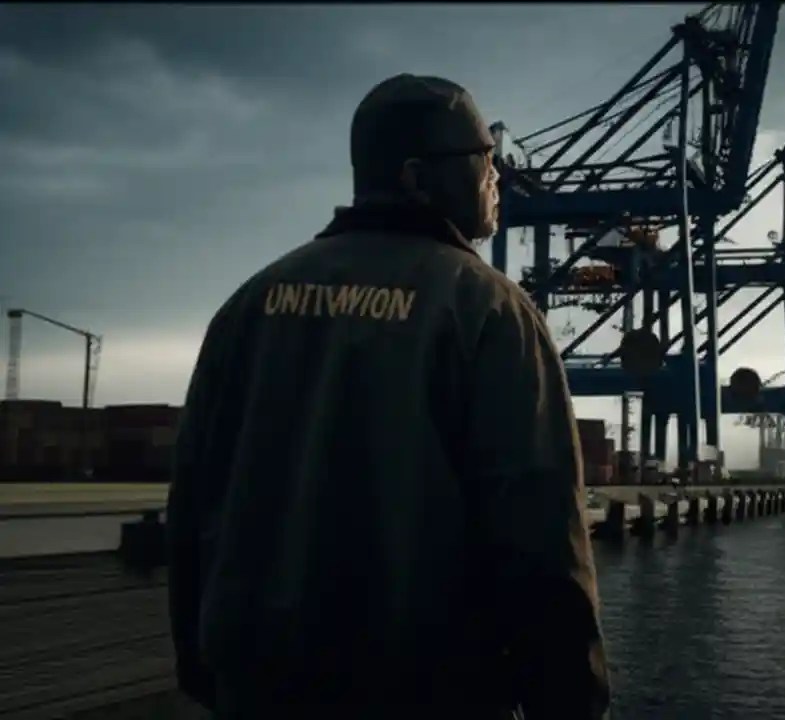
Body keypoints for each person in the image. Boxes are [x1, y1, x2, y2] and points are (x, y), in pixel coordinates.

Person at [165, 74, 610, 719]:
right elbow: (541, 535)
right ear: (415, 176)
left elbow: (193, 504)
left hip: (258, 689)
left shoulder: (250, 302)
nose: (497, 180)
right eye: (484, 161)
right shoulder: (488, 309)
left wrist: (199, 662)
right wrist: (572, 703)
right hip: (427, 693)